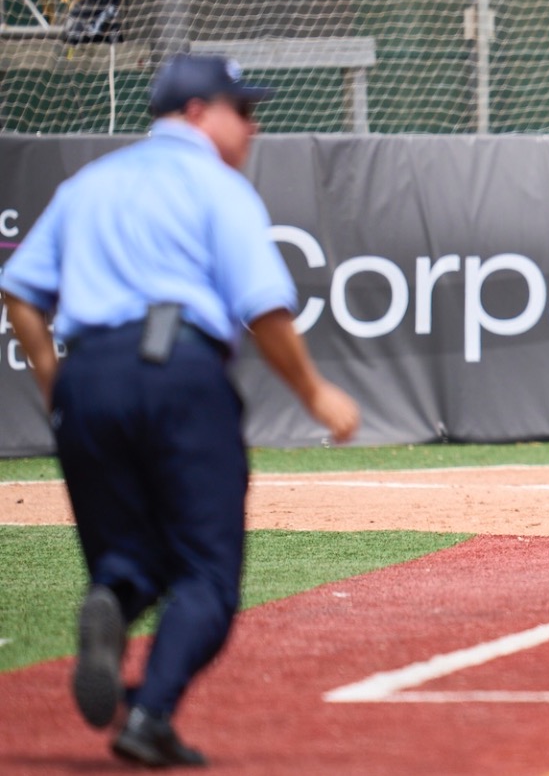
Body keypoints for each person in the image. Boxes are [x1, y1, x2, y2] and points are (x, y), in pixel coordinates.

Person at [0, 54, 361, 766]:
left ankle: (111, 600)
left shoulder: (89, 184)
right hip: (178, 374)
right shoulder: (217, 186)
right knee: (207, 576)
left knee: (135, 556)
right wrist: (316, 394)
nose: (253, 125)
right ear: (197, 112)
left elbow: (20, 289)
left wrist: (52, 380)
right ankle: (150, 716)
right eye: (242, 109)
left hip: (89, 377)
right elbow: (263, 306)